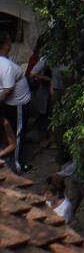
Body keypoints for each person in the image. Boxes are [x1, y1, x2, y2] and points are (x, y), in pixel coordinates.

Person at [0, 30, 32, 172]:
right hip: (17, 104)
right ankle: (16, 165)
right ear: (6, 45)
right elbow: (7, 90)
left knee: (10, 132)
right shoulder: (6, 65)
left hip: (11, 103)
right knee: (17, 134)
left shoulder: (4, 62)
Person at [26, 38, 53, 149]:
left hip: (46, 90)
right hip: (43, 90)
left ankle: (49, 139)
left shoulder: (45, 56)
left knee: (47, 115)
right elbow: (31, 74)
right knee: (44, 115)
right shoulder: (43, 57)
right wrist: (48, 79)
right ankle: (44, 139)